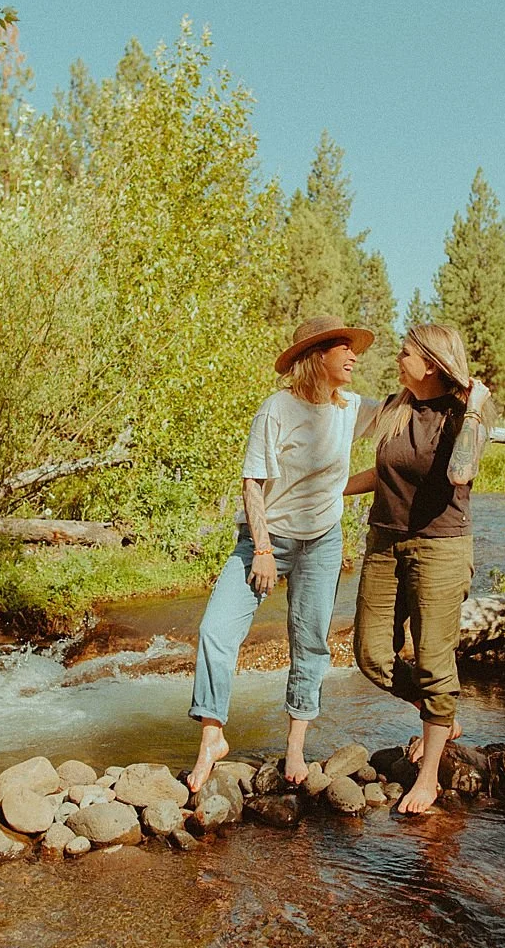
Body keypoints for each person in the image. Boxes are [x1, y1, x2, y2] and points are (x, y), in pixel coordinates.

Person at [186, 316, 377, 793]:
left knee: (310, 640)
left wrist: (465, 394)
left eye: (354, 349)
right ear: (317, 356)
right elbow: (252, 482)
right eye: (343, 348)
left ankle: (296, 745)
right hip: (265, 539)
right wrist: (264, 549)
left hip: (323, 542)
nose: (354, 356)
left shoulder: (352, 406)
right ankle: (212, 736)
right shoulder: (276, 410)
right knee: (215, 629)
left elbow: (407, 410)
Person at [346, 324, 493, 814]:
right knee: (370, 654)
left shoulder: (465, 412)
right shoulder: (396, 405)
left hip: (441, 548)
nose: (397, 357)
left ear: (431, 362)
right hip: (385, 542)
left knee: (433, 660)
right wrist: (331, 489)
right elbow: (386, 472)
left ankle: (428, 775)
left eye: (405, 353)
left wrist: (474, 409)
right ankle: (438, 712)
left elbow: (460, 472)